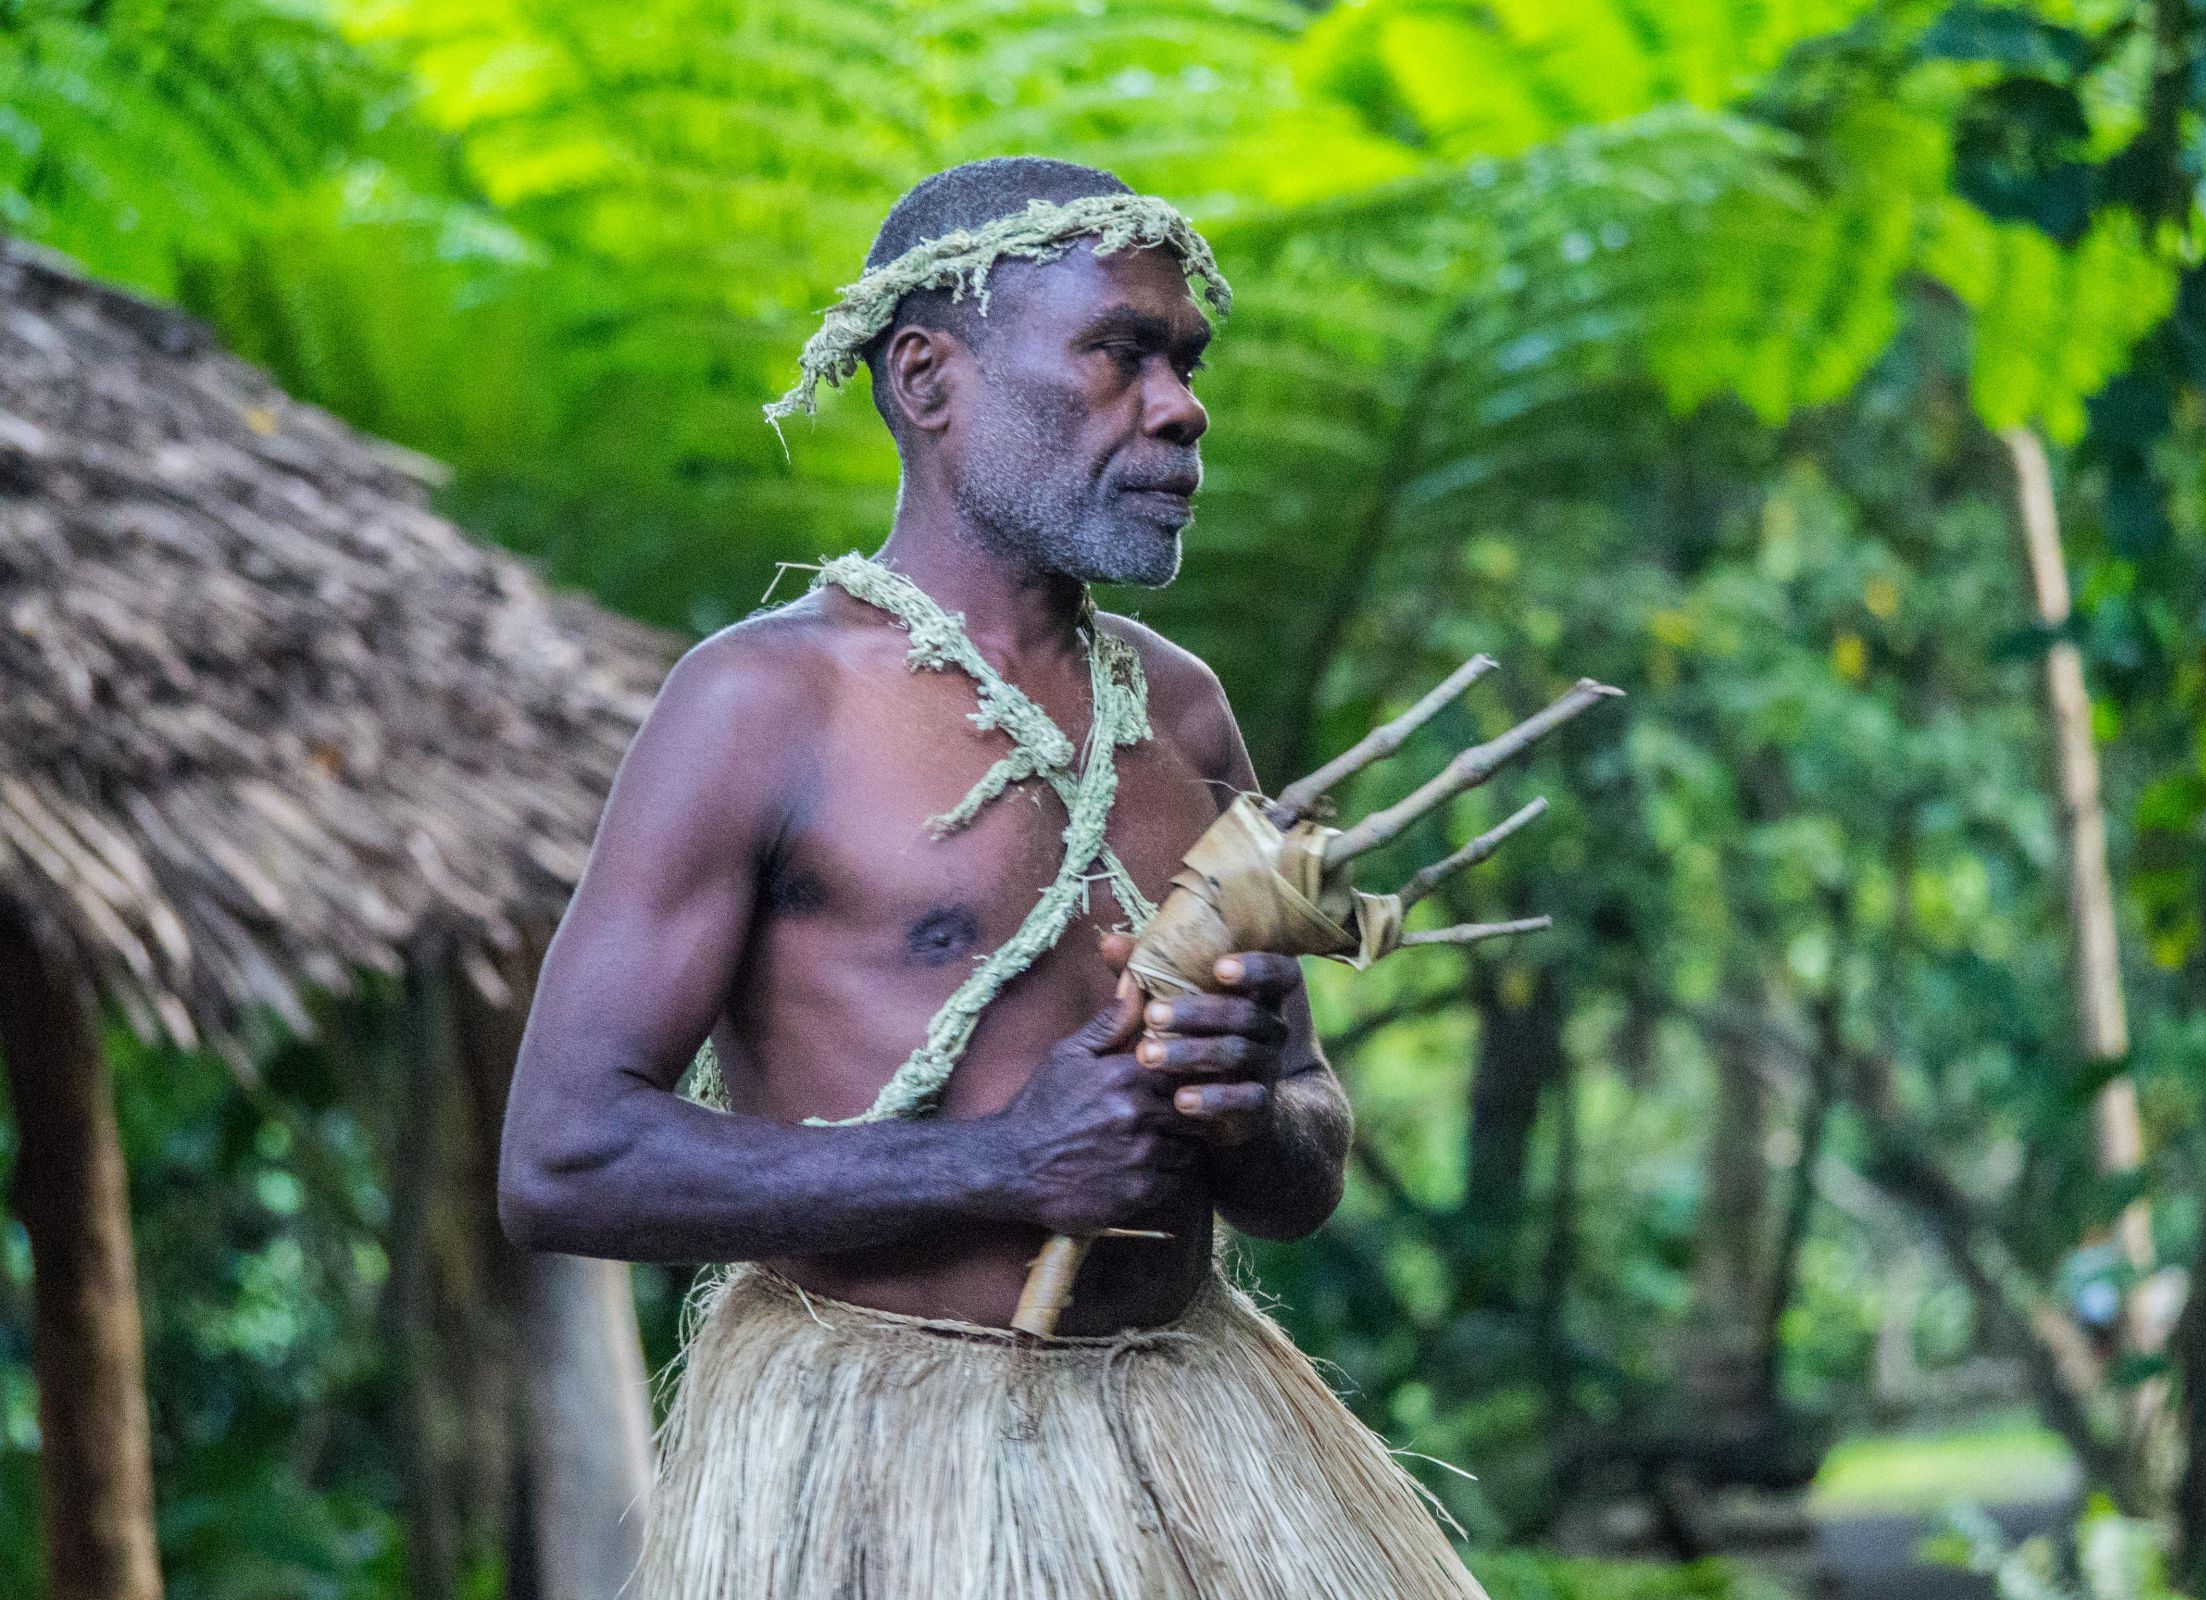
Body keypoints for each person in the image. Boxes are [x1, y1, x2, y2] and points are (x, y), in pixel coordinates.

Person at [498, 155, 1488, 1600]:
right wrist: (997, 1165)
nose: (1182, 408)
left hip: (1194, 1451)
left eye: (1188, 361)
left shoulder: (1184, 713)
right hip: (883, 1464)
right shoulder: (765, 706)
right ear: (927, 380)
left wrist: (1245, 1113)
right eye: (1120, 353)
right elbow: (562, 1159)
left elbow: (1304, 1164)